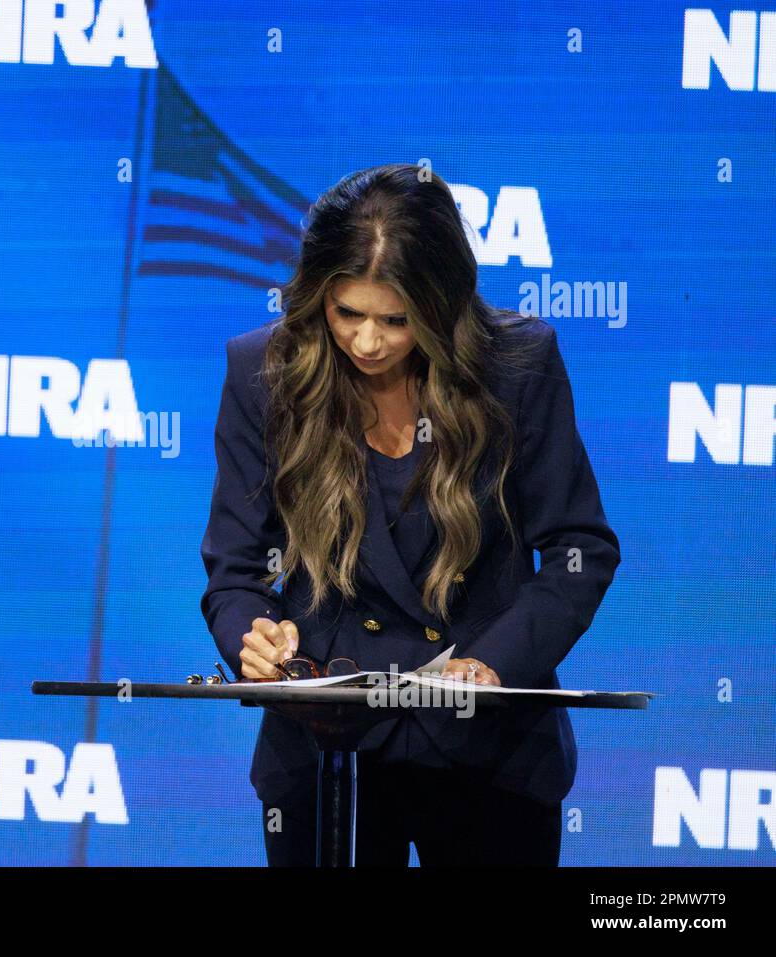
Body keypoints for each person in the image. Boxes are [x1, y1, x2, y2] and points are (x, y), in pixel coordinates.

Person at [199, 163, 620, 866]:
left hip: (489, 754)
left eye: (396, 320)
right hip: (327, 752)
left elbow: (579, 550)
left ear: (442, 304)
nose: (368, 342)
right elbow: (236, 570)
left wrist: (492, 661)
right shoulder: (262, 375)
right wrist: (254, 637)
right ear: (317, 299)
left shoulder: (516, 364)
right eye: (347, 314)